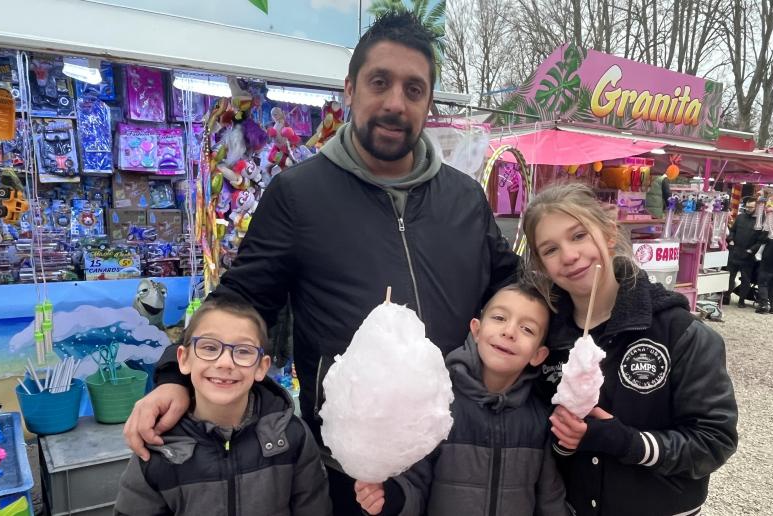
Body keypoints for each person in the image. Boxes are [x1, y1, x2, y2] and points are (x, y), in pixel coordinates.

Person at [122, 11, 519, 515]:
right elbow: (242, 300)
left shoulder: (464, 198)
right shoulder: (300, 194)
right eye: (380, 82)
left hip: (461, 453)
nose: (396, 102)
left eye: (414, 90)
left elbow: (513, 294)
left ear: (428, 103)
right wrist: (175, 379)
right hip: (354, 468)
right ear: (350, 90)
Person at [523, 183, 738, 516]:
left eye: (579, 235)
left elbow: (714, 441)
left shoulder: (677, 331)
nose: (568, 255)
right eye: (550, 249)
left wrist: (630, 443)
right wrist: (564, 441)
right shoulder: (546, 340)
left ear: (609, 234)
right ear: (541, 264)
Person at [353, 283, 569, 516]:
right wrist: (390, 499)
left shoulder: (538, 419)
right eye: (499, 317)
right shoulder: (439, 406)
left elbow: (550, 498)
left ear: (538, 355)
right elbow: (413, 484)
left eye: (527, 329)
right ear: (476, 330)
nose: (509, 331)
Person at [114, 297, 331, 515]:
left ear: (261, 367)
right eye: (209, 347)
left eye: (243, 351)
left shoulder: (294, 437)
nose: (225, 362)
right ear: (184, 359)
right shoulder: (159, 447)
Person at [726, 196, 765, 307]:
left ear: (756, 207)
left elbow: (761, 240)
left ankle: (741, 300)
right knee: (730, 276)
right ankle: (727, 296)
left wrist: (751, 250)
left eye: (751, 207)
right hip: (735, 251)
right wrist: (731, 240)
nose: (748, 209)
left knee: (745, 279)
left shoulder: (760, 221)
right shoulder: (740, 217)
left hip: (748, 255)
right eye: (747, 207)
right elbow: (732, 231)